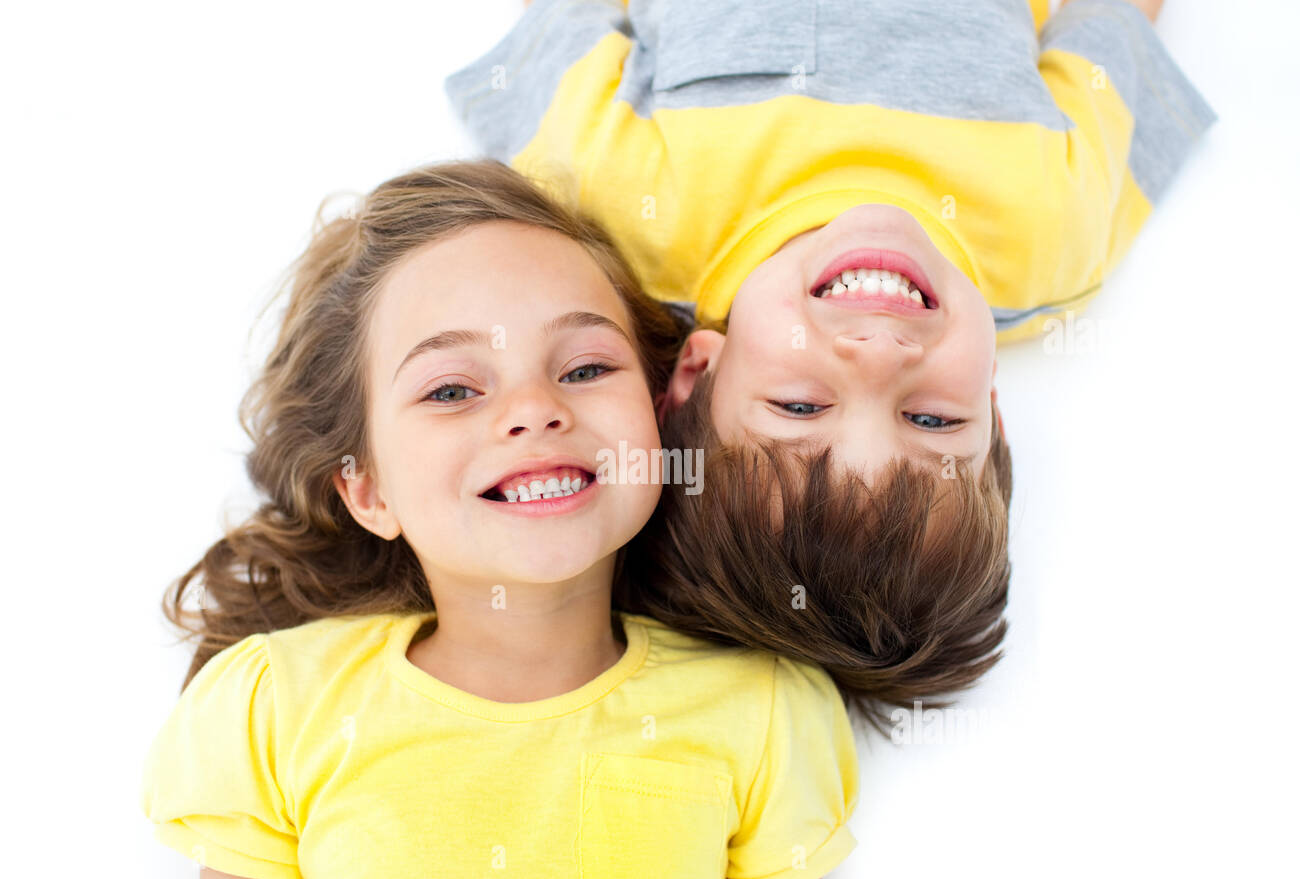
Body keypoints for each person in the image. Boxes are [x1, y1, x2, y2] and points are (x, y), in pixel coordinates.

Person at [140, 159, 858, 879]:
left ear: (657, 415)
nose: (534, 410)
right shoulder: (274, 709)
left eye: (585, 367)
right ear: (368, 489)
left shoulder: (766, 713)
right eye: (452, 390)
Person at [442, 0, 1216, 724]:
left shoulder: (621, 206)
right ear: (992, 407)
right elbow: (1113, 25)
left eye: (801, 408)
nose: (878, 354)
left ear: (695, 373)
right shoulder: (1056, 234)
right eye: (932, 419)